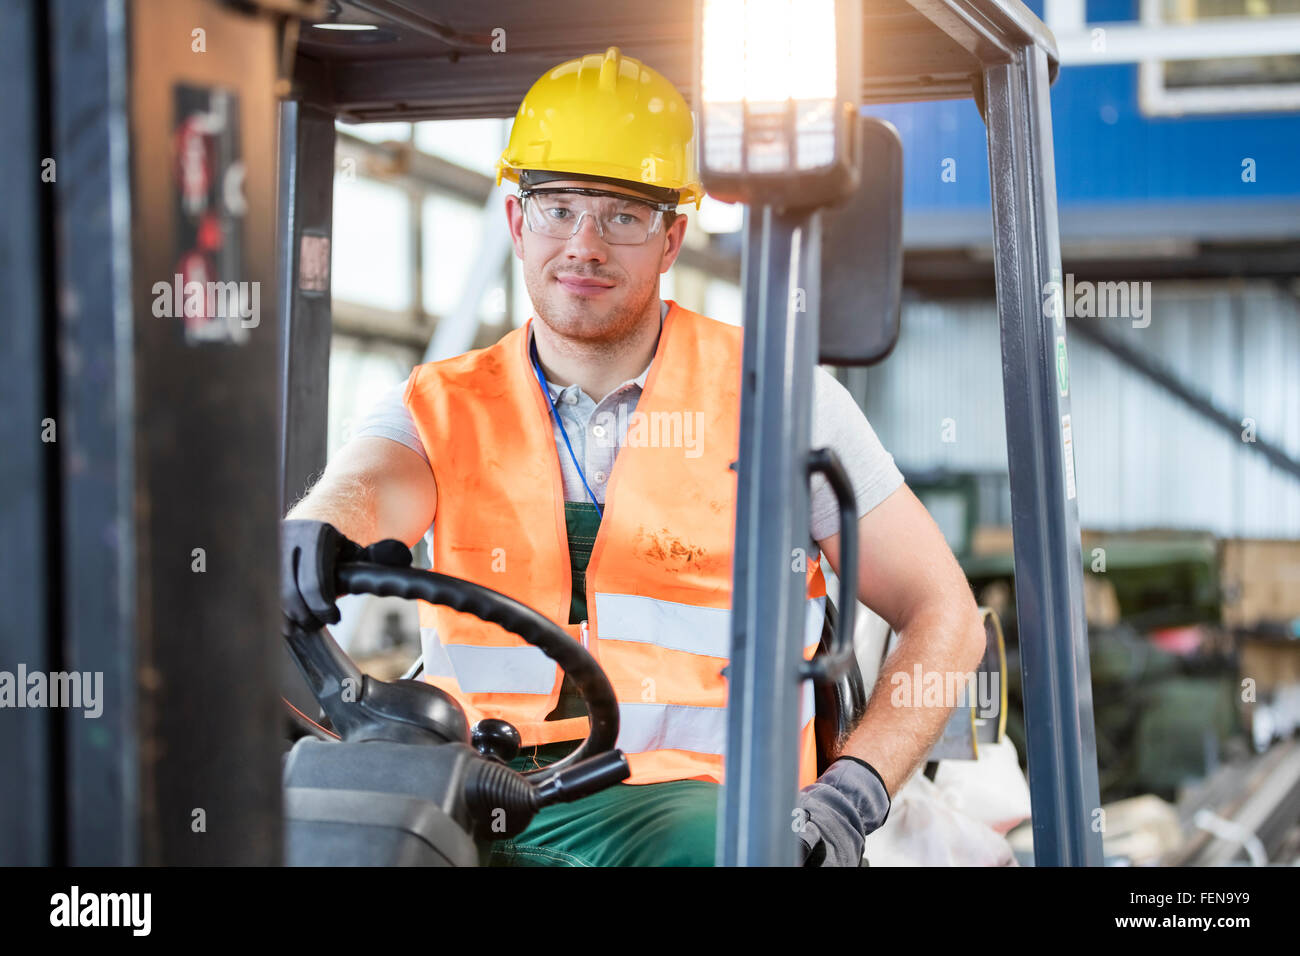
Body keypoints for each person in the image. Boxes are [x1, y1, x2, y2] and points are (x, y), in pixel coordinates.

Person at [281, 47, 986, 866]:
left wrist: (850, 797)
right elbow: (365, 486)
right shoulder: (434, 405)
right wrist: (319, 528)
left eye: (622, 215)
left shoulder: (784, 399)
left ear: (671, 238)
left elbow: (947, 616)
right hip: (479, 791)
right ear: (517, 222)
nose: (583, 244)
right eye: (558, 208)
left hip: (701, 808)